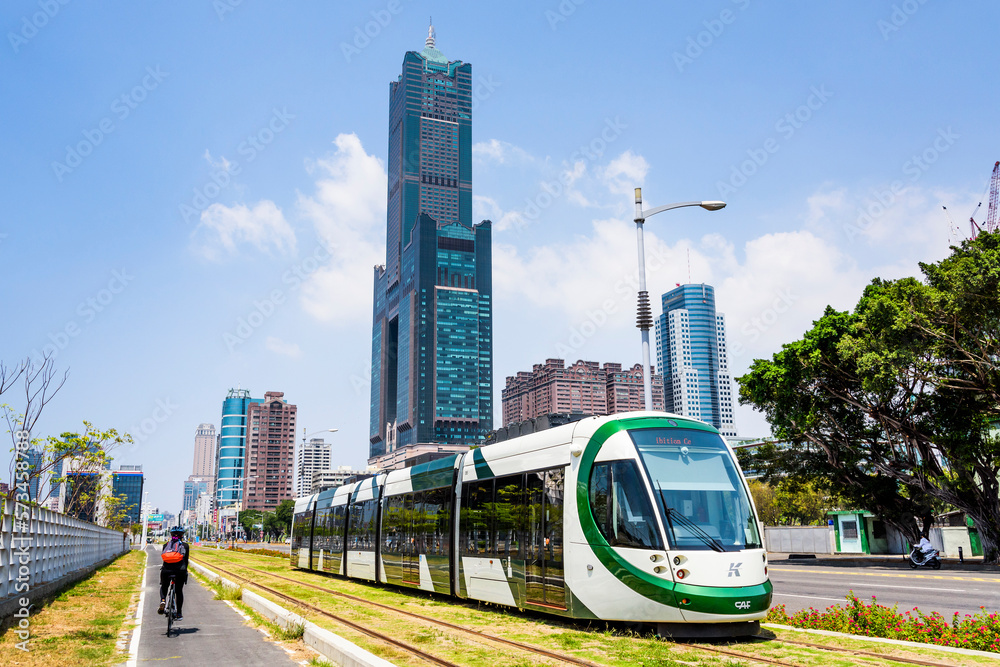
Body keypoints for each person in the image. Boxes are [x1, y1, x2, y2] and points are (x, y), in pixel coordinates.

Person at [158, 526, 190, 621]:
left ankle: (163, 600)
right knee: (179, 591)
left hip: (166, 570)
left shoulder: (166, 545)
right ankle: (179, 614)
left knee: (164, 586)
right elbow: (186, 560)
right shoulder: (185, 546)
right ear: (182, 536)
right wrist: (185, 571)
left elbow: (164, 559)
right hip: (180, 571)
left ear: (171, 535)